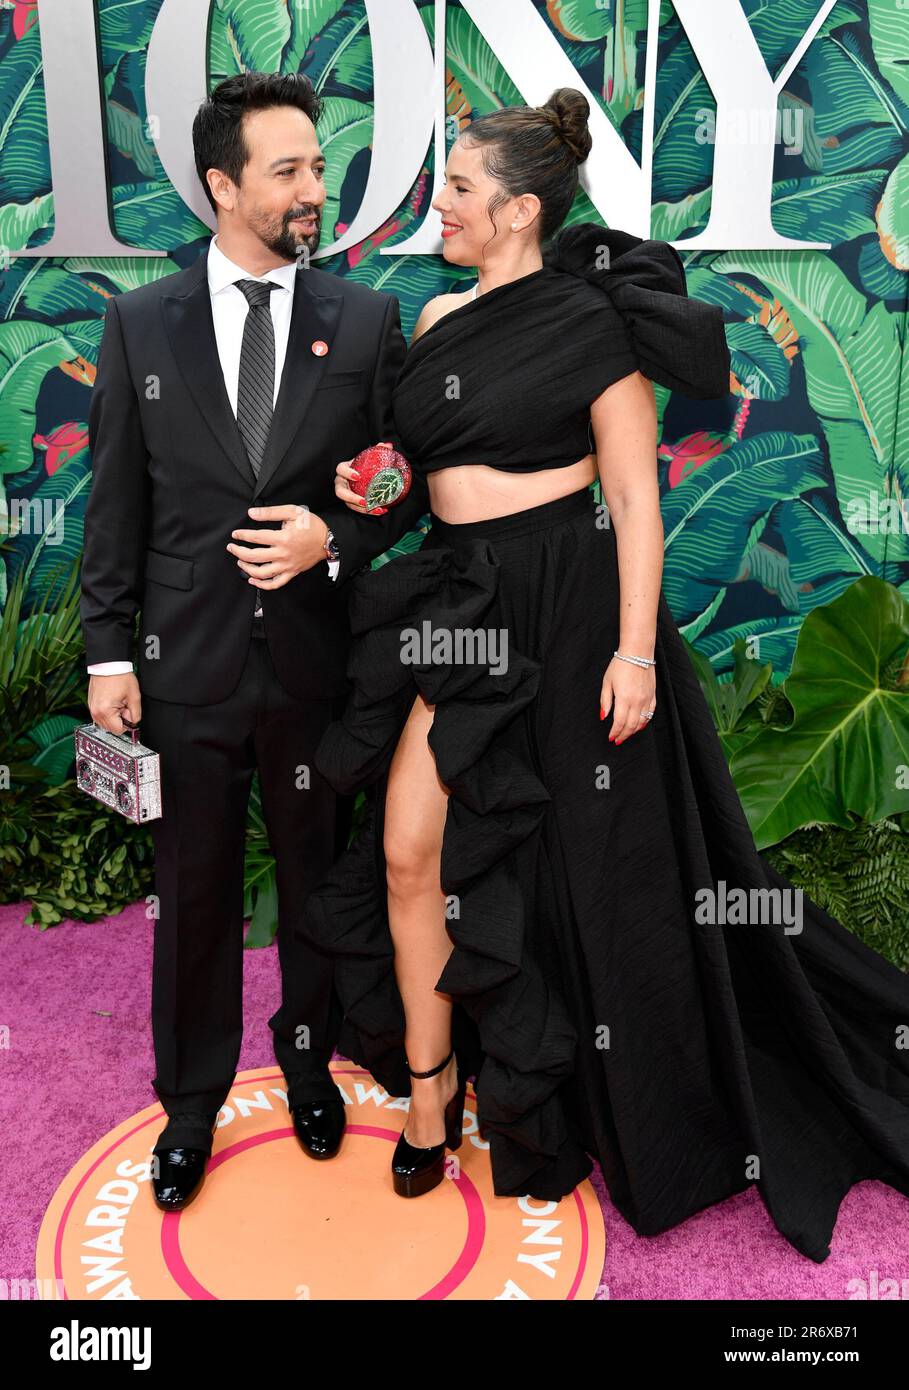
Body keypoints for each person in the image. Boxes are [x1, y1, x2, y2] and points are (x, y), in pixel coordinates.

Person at [297, 87, 909, 1263]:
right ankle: (432, 1096)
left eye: (463, 192)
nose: (443, 210)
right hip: (465, 600)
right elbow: (408, 481)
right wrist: (352, 503)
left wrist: (635, 653)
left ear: (520, 210)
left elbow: (635, 494)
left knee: (587, 868)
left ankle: (598, 1098)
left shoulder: (594, 320)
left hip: (575, 606)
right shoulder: (431, 326)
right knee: (410, 845)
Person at [80, 72, 429, 1211]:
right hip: (186, 667)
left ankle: (308, 1058)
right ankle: (190, 1102)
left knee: (322, 880)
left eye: (319, 168)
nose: (315, 191)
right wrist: (108, 653)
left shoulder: (366, 319)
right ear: (223, 186)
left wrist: (336, 531)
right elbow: (116, 500)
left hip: (316, 664)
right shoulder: (140, 322)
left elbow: (403, 485)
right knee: (192, 890)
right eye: (290, 171)